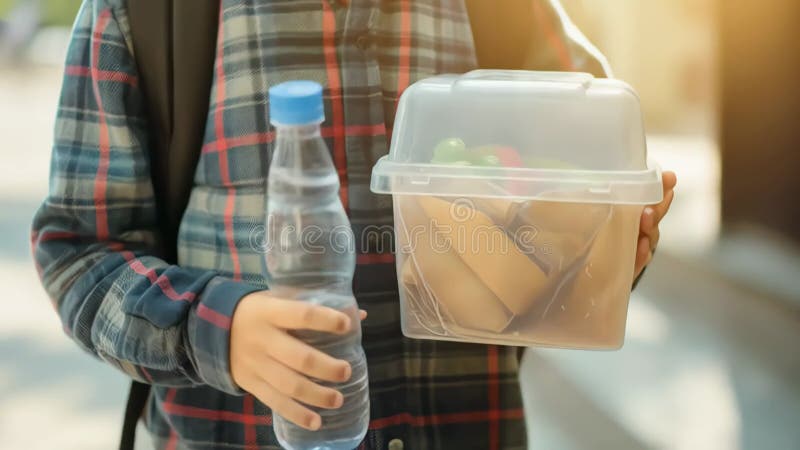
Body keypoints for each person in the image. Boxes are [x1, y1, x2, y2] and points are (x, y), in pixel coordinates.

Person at [31, 0, 677, 448]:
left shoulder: (507, 9)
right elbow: (79, 251)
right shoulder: (148, 14)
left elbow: (589, 198)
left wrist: (605, 246)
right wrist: (218, 332)